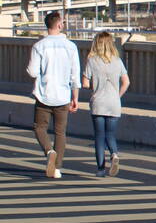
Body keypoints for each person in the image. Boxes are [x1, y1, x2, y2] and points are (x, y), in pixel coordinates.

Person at [26, 11, 81, 179]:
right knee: (60, 132)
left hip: (44, 94)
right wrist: (75, 97)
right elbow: (75, 76)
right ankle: (57, 168)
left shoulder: (39, 46)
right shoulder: (71, 46)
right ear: (59, 25)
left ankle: (49, 151)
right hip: (63, 95)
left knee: (39, 127)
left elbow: (33, 72)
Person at [82, 31, 130, 177]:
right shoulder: (117, 61)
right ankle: (114, 154)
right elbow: (126, 82)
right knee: (110, 134)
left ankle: (101, 169)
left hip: (98, 102)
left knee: (99, 136)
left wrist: (95, 87)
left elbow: (84, 83)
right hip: (114, 102)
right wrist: (118, 95)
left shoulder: (92, 60)